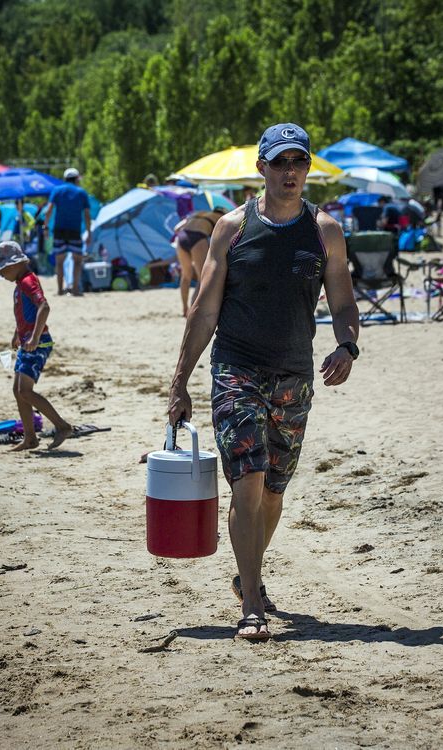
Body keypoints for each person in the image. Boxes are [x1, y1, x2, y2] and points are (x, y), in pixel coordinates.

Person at [167, 123, 359, 641]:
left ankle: (246, 573)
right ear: (263, 169)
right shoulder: (231, 229)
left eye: (299, 162)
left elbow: (342, 302)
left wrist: (347, 345)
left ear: (307, 168)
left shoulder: (326, 231)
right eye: (280, 162)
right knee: (247, 480)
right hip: (236, 368)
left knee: (274, 488)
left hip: (294, 374)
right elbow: (205, 309)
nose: (290, 171)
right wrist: (180, 381)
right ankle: (252, 601)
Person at [0, 241, 73, 452]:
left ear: (14, 264)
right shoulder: (21, 283)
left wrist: (34, 337)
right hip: (27, 343)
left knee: (25, 391)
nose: (1, 275)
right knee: (18, 391)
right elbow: (25, 314)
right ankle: (30, 437)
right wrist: (17, 333)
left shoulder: (27, 281)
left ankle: (62, 426)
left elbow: (44, 307)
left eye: (2, 270)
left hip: (37, 343)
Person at [172, 206, 227, 317]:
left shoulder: (198, 212)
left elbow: (176, 229)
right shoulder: (221, 219)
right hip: (197, 237)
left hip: (182, 236)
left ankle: (184, 309)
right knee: (202, 278)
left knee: (186, 276)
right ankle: (193, 311)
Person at [45, 167, 92, 296]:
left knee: (59, 261)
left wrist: (45, 227)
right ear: (76, 179)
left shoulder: (57, 191)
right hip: (75, 231)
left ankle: (60, 290)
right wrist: (89, 232)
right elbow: (87, 215)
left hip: (59, 230)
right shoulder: (81, 193)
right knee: (77, 260)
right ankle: (75, 289)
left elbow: (49, 210)